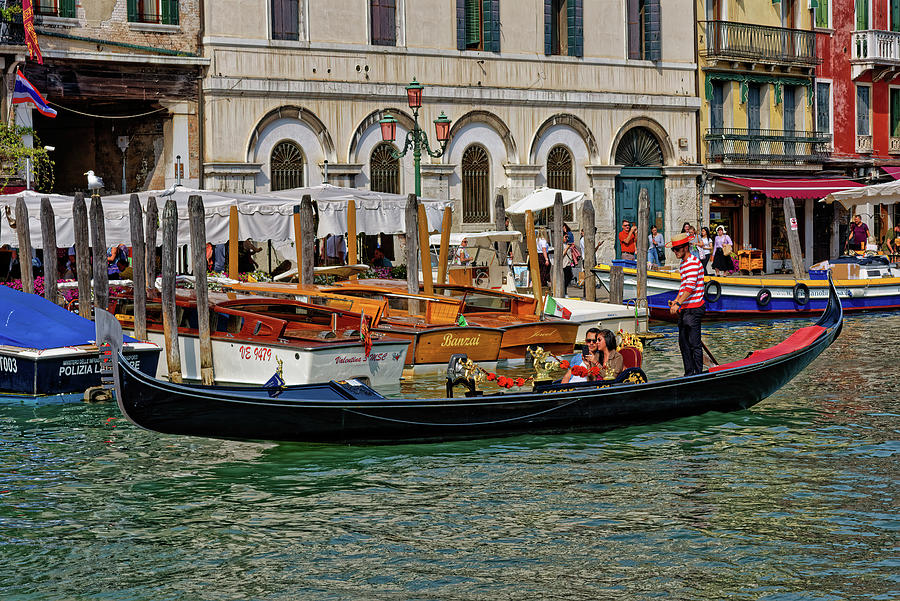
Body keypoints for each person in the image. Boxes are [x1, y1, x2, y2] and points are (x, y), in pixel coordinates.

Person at [666, 232, 706, 376]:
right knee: (683, 343)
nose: (675, 252)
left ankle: (697, 374)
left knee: (694, 344)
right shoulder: (683, 264)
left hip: (695, 308)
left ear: (685, 247)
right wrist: (676, 301)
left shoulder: (694, 262)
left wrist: (678, 303)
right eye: (673, 249)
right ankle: (689, 373)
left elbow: (690, 287)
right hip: (686, 308)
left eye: (677, 249)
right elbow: (683, 287)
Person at [562, 224, 577, 289]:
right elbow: (562, 254)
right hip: (564, 264)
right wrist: (567, 248)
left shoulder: (566, 244)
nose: (567, 239)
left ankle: (565, 291)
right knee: (566, 278)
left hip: (568, 263)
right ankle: (564, 291)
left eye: (567, 237)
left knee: (569, 277)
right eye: (565, 237)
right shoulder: (562, 245)